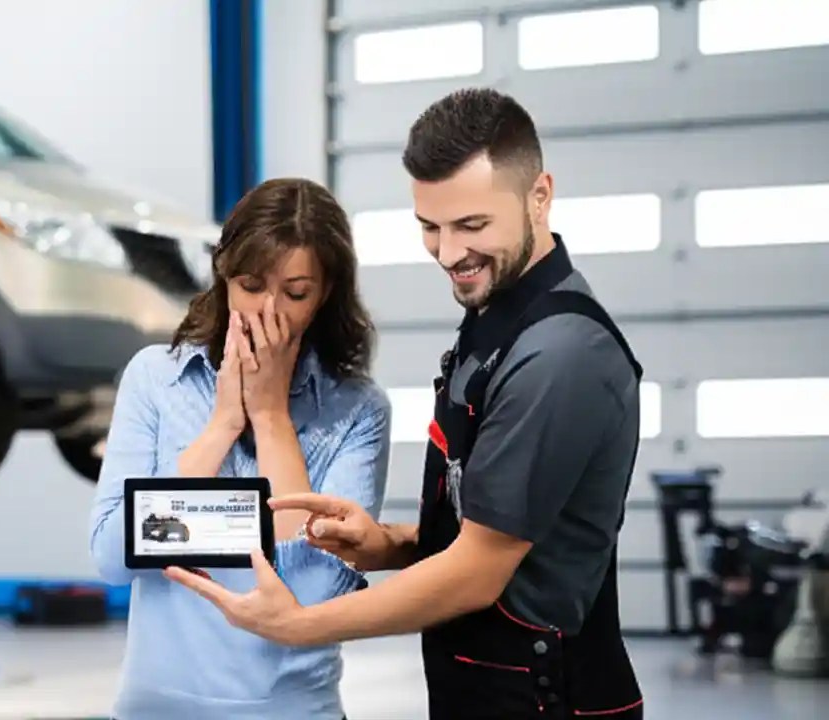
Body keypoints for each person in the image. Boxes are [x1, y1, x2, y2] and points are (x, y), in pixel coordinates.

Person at [165, 88, 647, 719]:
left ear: (540, 196)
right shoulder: (499, 314)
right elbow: (505, 526)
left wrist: (299, 625)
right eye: (430, 227)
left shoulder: (560, 355)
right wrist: (386, 544)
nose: (448, 253)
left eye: (472, 225)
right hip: (484, 690)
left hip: (548, 698)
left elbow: (479, 570)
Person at [87, 177, 392, 720]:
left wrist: (271, 415)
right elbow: (112, 558)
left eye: (295, 293)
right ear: (224, 276)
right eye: (251, 285)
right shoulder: (157, 380)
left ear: (325, 295)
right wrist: (223, 424)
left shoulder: (358, 411)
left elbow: (315, 593)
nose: (266, 311)